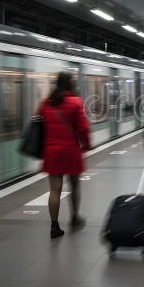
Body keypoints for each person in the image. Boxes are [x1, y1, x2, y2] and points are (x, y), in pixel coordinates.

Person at [40, 72, 91, 239]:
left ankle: (54, 226)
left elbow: (40, 126)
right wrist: (87, 144)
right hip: (71, 151)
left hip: (52, 151)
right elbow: (83, 128)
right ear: (70, 84)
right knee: (74, 185)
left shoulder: (46, 103)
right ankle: (74, 217)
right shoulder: (76, 102)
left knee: (55, 190)